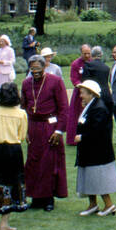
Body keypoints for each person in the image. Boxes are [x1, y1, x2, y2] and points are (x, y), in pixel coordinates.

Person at [21, 55, 69, 211]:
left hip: (50, 127)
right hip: (33, 127)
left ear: (44, 68)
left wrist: (59, 130)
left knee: (48, 164)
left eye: (38, 68)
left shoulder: (55, 81)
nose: (35, 71)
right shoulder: (26, 83)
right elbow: (23, 109)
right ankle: (35, 198)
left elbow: (63, 108)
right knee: (33, 163)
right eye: (32, 68)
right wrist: (24, 130)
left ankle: (48, 199)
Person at [0, 82, 29, 230]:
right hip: (12, 151)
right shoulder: (21, 114)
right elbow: (21, 136)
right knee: (10, 183)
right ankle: (4, 222)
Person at [74, 79, 116, 216]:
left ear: (91, 94)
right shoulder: (91, 106)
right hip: (89, 151)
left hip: (98, 152)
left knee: (99, 179)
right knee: (88, 177)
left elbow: (98, 131)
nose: (81, 96)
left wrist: (82, 137)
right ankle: (93, 204)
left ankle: (109, 205)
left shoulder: (98, 108)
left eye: (83, 93)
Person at [67, 44, 91, 145]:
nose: (87, 55)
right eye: (85, 53)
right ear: (81, 53)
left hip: (90, 92)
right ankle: (73, 139)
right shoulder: (75, 64)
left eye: (88, 53)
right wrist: (81, 86)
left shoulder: (92, 62)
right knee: (75, 115)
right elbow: (74, 79)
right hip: (79, 93)